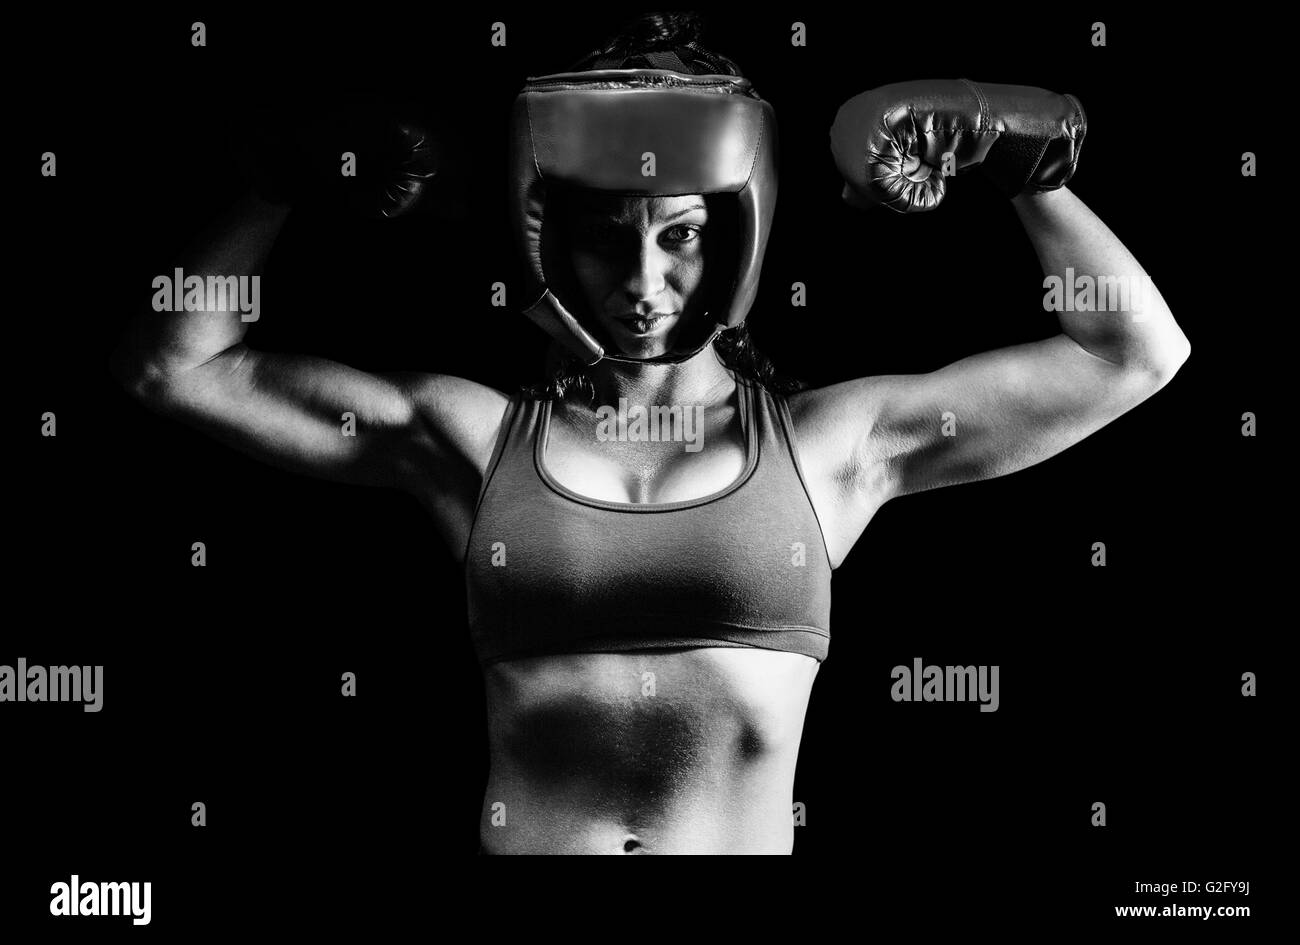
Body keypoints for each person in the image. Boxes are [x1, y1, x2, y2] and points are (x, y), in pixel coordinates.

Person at [110, 12, 1190, 854]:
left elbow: (1130, 353)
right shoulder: (470, 438)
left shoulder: (828, 445)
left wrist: (1023, 167)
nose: (642, 282)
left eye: (679, 235)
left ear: (736, 232)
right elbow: (180, 368)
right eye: (602, 238)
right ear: (546, 242)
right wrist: (273, 186)